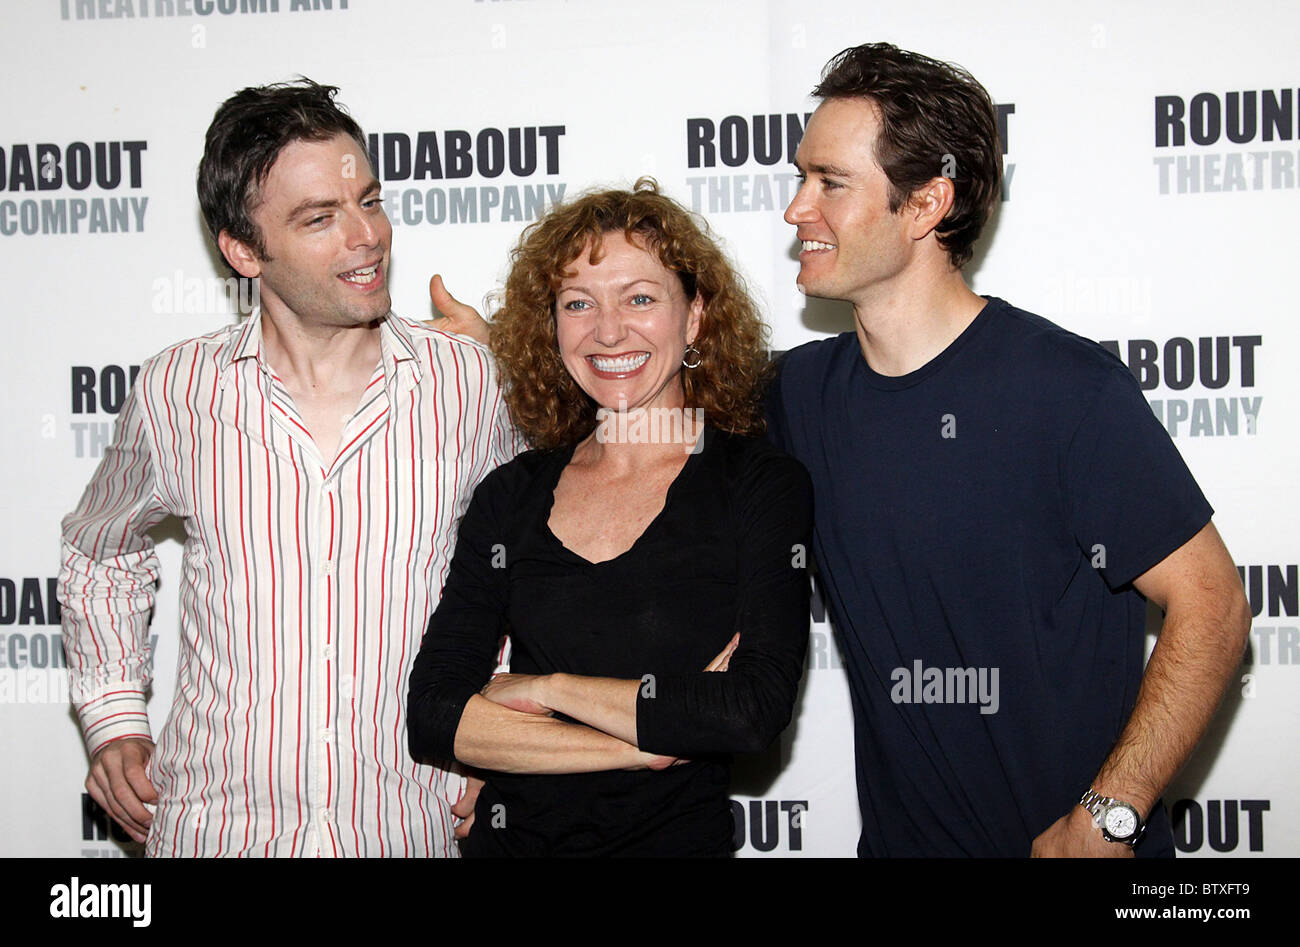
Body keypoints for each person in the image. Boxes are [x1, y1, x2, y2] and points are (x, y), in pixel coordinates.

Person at [766, 43, 1252, 857]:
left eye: (830, 182)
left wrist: (1109, 816)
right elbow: (640, 402)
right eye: (801, 178)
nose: (796, 209)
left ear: (925, 204)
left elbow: (1215, 604)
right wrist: (521, 342)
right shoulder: (796, 396)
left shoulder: (1064, 389)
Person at [58, 79, 519, 857]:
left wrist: (506, 726)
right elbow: (99, 551)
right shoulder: (178, 389)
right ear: (243, 251)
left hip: (408, 829)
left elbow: (527, 565)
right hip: (215, 832)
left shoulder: (469, 379)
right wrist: (112, 718)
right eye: (320, 218)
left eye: (369, 201)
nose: (366, 236)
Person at [407, 180, 813, 856]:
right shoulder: (511, 494)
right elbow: (436, 715)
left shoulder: (759, 484)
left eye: (641, 298)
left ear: (695, 317)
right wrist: (643, 744)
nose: (608, 329)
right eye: (578, 303)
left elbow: (747, 713)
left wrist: (543, 687)